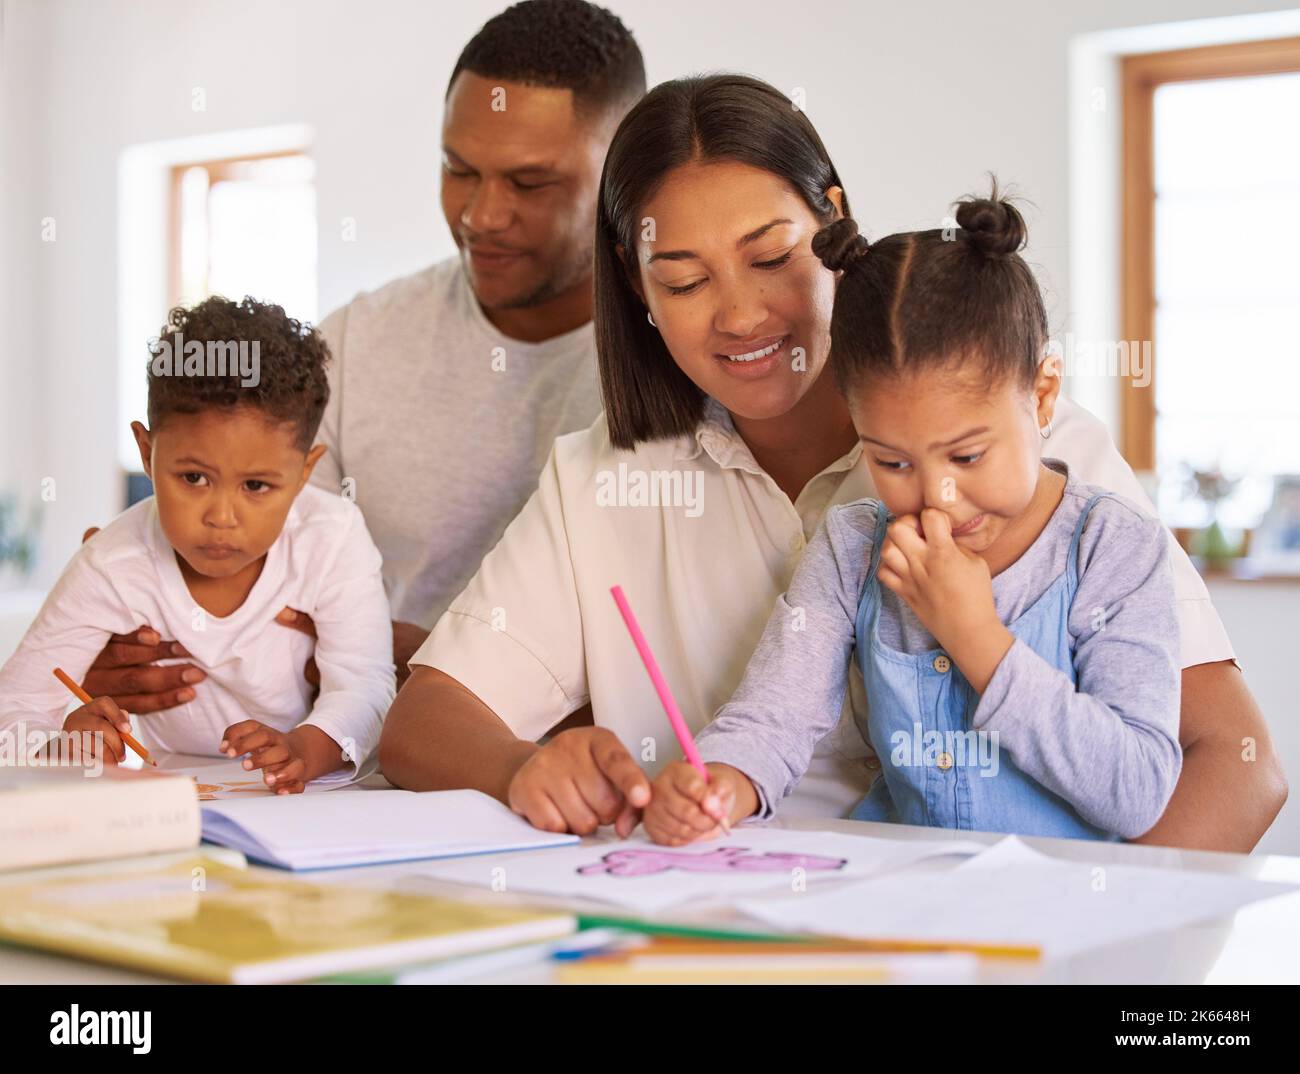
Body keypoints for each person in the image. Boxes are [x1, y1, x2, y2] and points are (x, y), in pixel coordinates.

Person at [381, 74, 1285, 850]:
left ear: (834, 222)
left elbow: (1241, 771)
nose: (738, 317)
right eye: (685, 281)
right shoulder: (602, 477)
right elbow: (424, 724)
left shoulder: (1038, 457)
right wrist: (526, 768)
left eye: (771, 257)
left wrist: (1090, 943)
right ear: (633, 282)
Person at [76, 0, 645, 706]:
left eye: (529, 183)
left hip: (581, 785)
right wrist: (135, 617)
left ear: (623, 174)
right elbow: (260, 593)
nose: (480, 216)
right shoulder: (356, 342)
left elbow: (669, 656)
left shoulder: (675, 357)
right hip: (343, 777)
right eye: (458, 169)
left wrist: (438, 663)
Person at [644, 192, 1182, 845]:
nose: (940, 499)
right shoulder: (854, 546)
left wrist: (977, 636)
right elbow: (775, 715)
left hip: (1057, 915)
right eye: (893, 462)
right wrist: (725, 781)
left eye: (968, 454)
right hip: (898, 908)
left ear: (1041, 397)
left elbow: (1136, 792)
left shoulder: (1111, 545)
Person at [0, 298, 394, 792]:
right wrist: (56, 747)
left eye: (256, 486)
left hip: (315, 798)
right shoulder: (112, 564)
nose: (221, 517)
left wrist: (305, 748)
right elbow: (13, 708)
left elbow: (367, 685)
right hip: (176, 801)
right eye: (193, 477)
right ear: (147, 453)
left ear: (303, 473)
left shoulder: (332, 537)